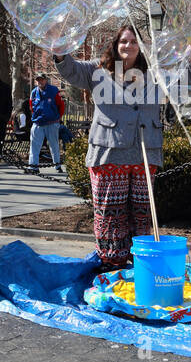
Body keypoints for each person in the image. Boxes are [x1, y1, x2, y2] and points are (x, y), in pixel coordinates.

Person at [54, 25, 164, 267]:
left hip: (145, 152)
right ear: (116, 44)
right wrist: (61, 53)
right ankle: (111, 263)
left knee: (143, 214)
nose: (128, 45)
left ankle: (141, 265)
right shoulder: (98, 70)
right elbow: (72, 71)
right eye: (124, 41)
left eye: (134, 41)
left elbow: (183, 86)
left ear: (141, 46)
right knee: (110, 214)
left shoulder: (154, 72)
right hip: (109, 152)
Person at [28, 71, 62, 171]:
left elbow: (61, 105)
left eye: (41, 79)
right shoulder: (33, 92)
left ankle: (57, 165)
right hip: (38, 123)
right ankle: (33, 166)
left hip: (52, 123)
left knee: (54, 145)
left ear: (45, 80)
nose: (40, 82)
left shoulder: (54, 90)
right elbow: (31, 107)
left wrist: (58, 118)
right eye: (38, 80)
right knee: (34, 146)